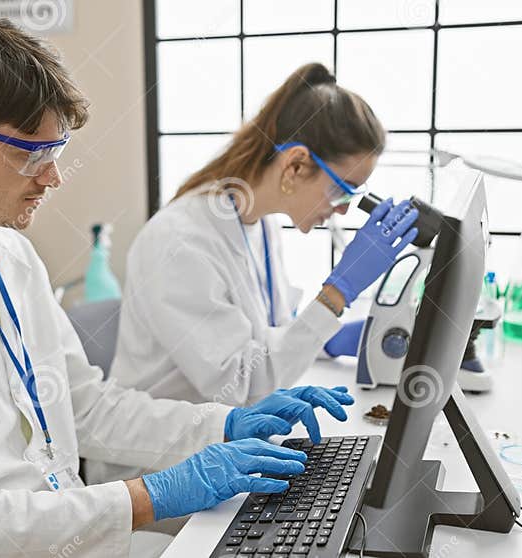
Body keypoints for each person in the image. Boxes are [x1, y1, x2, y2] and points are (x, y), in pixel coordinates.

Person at [0, 21, 354, 558]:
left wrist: (222, 426)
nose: (53, 177)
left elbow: (83, 404)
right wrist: (152, 496)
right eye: (32, 153)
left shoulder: (9, 256)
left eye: (57, 153)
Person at [87, 64, 417, 486]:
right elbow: (243, 386)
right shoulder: (179, 241)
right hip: (158, 468)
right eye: (342, 191)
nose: (343, 210)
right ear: (296, 165)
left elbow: (261, 338)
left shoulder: (259, 224)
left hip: (224, 449)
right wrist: (338, 292)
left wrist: (325, 338)